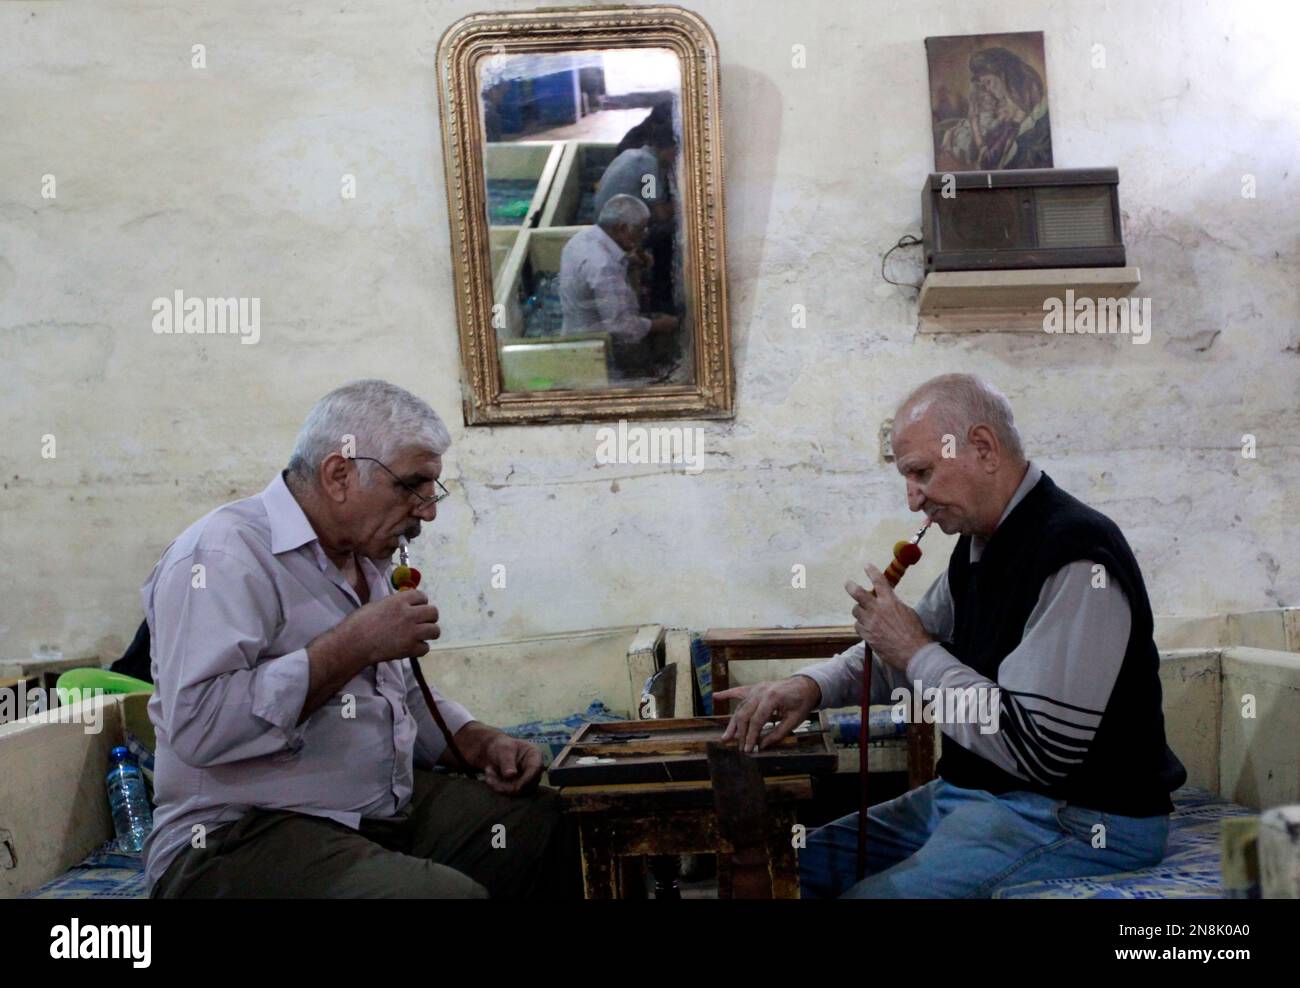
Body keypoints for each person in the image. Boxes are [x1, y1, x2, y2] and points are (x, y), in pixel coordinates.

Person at [718, 373, 1186, 898]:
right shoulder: (979, 546)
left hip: (1079, 817)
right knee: (790, 867)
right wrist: (810, 686)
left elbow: (1040, 749)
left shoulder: (1076, 554)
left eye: (921, 473)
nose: (913, 500)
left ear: (983, 447)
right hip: (975, 795)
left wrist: (915, 650)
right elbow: (901, 651)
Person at [142, 379, 576, 898]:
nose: (428, 509)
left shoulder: (362, 560)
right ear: (339, 475)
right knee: (437, 897)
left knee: (547, 826)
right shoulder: (223, 555)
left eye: (431, 488)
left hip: (366, 816)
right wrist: (354, 645)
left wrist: (479, 742)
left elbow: (397, 697)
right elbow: (200, 725)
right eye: (411, 485)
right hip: (235, 834)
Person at [559, 194, 678, 379]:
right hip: (598, 352)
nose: (645, 234)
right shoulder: (604, 265)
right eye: (641, 229)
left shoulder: (581, 239)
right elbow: (621, 328)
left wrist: (629, 262)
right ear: (622, 228)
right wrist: (659, 325)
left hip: (573, 334)